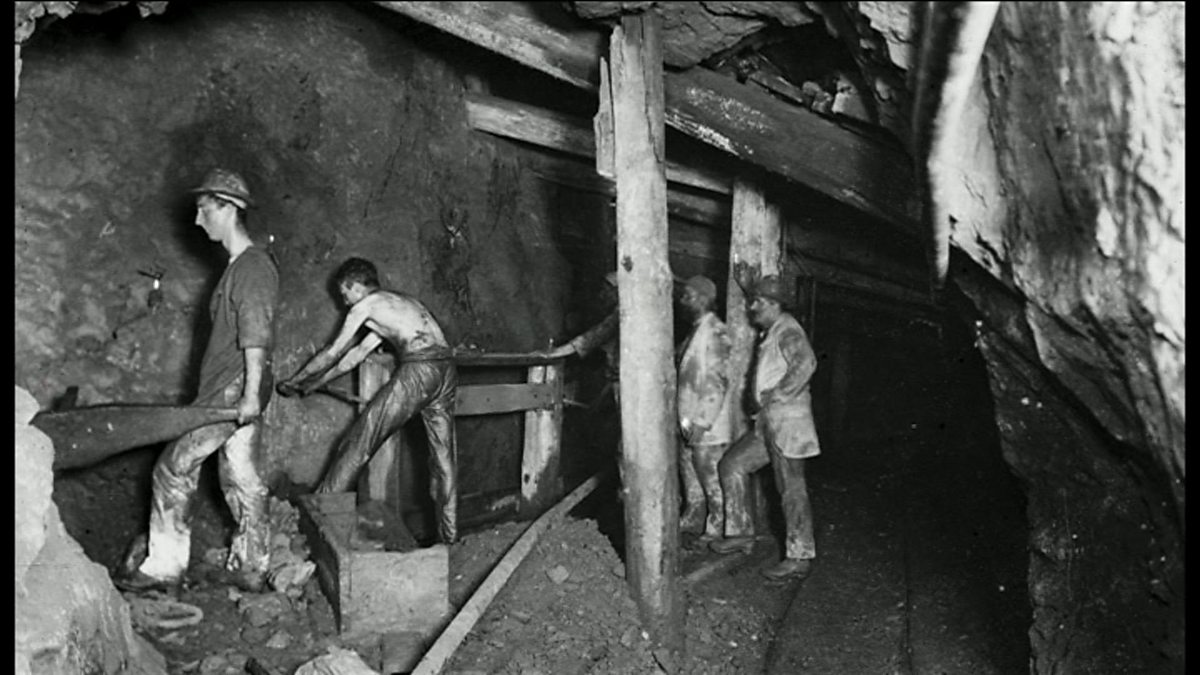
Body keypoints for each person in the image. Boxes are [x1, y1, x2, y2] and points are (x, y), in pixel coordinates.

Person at [118, 168, 280, 595]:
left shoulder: (252, 268)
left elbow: (256, 336)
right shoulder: (240, 267)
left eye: (203, 209)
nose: (196, 219)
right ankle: (251, 566)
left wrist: (247, 396)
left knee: (173, 469)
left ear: (228, 208)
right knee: (241, 477)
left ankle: (163, 570)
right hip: (233, 389)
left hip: (231, 391)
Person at [276, 257, 459, 545]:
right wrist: (314, 385)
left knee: (360, 438)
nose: (344, 301)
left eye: (344, 293)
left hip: (420, 368)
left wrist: (295, 380)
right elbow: (355, 356)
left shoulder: (366, 306)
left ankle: (318, 514)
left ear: (355, 285)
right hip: (446, 369)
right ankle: (449, 538)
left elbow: (333, 352)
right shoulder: (397, 304)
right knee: (444, 458)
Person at [709, 273, 821, 582]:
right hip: (768, 424)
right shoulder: (772, 331)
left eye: (757, 302)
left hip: (788, 424)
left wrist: (779, 393)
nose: (752, 307)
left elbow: (807, 363)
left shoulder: (788, 329)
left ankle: (799, 557)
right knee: (732, 464)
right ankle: (740, 532)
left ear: (774, 303)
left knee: (791, 488)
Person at [675, 275, 736, 544]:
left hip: (707, 418)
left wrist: (702, 421)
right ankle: (694, 515)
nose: (682, 301)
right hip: (688, 414)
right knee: (688, 465)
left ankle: (716, 526)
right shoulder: (695, 331)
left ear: (701, 298)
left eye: (687, 295)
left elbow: (718, 380)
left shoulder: (717, 331)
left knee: (707, 470)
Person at [547, 272, 619, 401]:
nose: (602, 296)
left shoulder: (621, 315)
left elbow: (596, 336)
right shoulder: (614, 314)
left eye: (607, 291)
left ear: (618, 292)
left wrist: (560, 351)